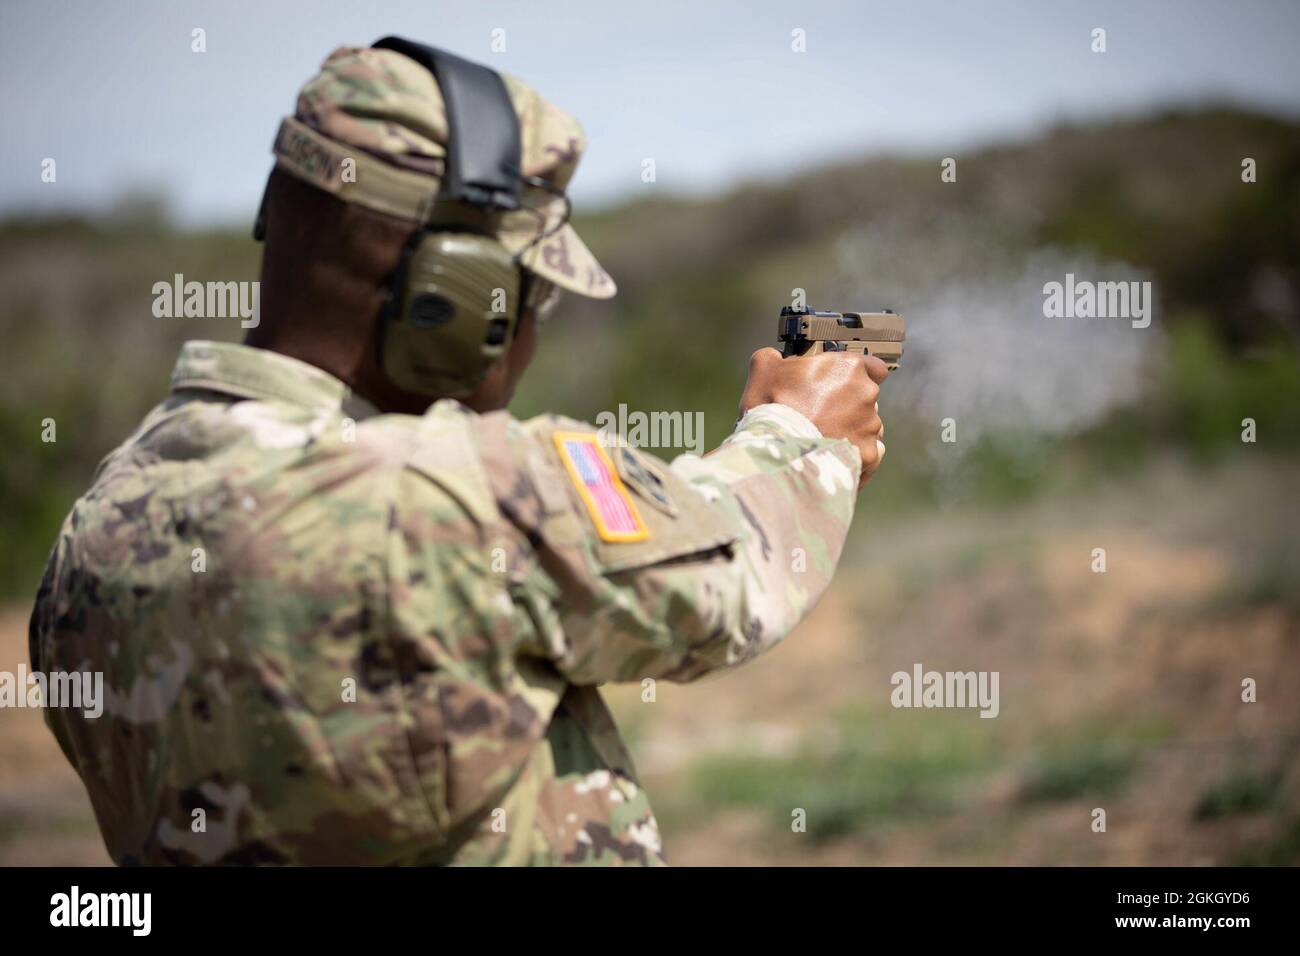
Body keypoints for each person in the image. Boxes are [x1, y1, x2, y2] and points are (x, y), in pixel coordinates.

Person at [29, 39, 888, 865]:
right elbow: (735, 568)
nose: (527, 338)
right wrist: (800, 432)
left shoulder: (98, 528)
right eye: (530, 296)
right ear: (456, 297)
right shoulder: (465, 495)